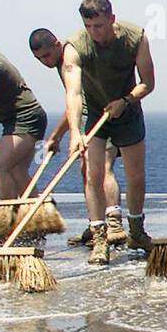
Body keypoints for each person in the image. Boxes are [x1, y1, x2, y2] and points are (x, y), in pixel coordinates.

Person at [61, 0, 156, 264]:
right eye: (89, 26)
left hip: (127, 108)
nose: (95, 33)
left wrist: (125, 101)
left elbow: (148, 83)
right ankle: (99, 237)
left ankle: (136, 230)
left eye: (99, 26)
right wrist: (75, 132)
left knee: (135, 175)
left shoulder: (135, 38)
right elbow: (74, 93)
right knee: (93, 174)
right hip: (94, 113)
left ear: (112, 19)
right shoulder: (75, 47)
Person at [28, 28, 124, 247]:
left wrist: (62, 135)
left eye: (46, 55)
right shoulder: (61, 65)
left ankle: (114, 225)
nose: (44, 61)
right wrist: (56, 136)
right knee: (87, 171)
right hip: (89, 120)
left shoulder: (72, 58)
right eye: (39, 59)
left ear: (56, 43)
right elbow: (73, 106)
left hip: (106, 116)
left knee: (103, 168)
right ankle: (96, 224)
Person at [0, 49, 47, 200]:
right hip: (18, 118)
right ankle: (37, 217)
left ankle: (8, 218)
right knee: (17, 170)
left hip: (25, 117)